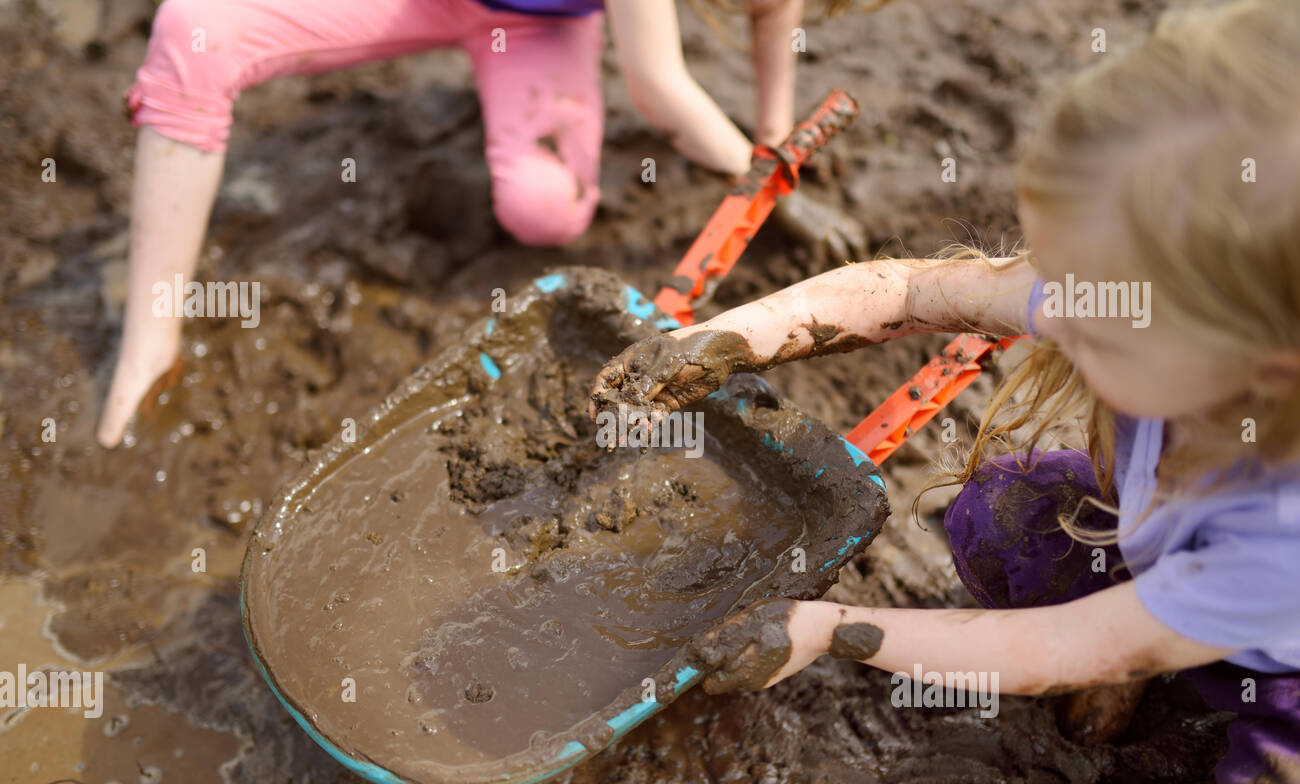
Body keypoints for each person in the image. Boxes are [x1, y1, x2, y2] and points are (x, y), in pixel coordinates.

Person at [587, 0, 1300, 784]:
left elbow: (1061, 651)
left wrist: (827, 627)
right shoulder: (1126, 299)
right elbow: (907, 294)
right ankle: (1156, 645)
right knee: (1004, 516)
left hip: (1284, 680)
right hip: (1169, 558)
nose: (1061, 313)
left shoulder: (1277, 537)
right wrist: (718, 345)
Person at [97, 0, 868, 448]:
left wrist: (776, 163)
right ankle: (149, 342)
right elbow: (659, 85)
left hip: (533, 24)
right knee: (195, 34)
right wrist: (779, 193)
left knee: (545, 208)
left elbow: (774, 18)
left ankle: (504, 93)